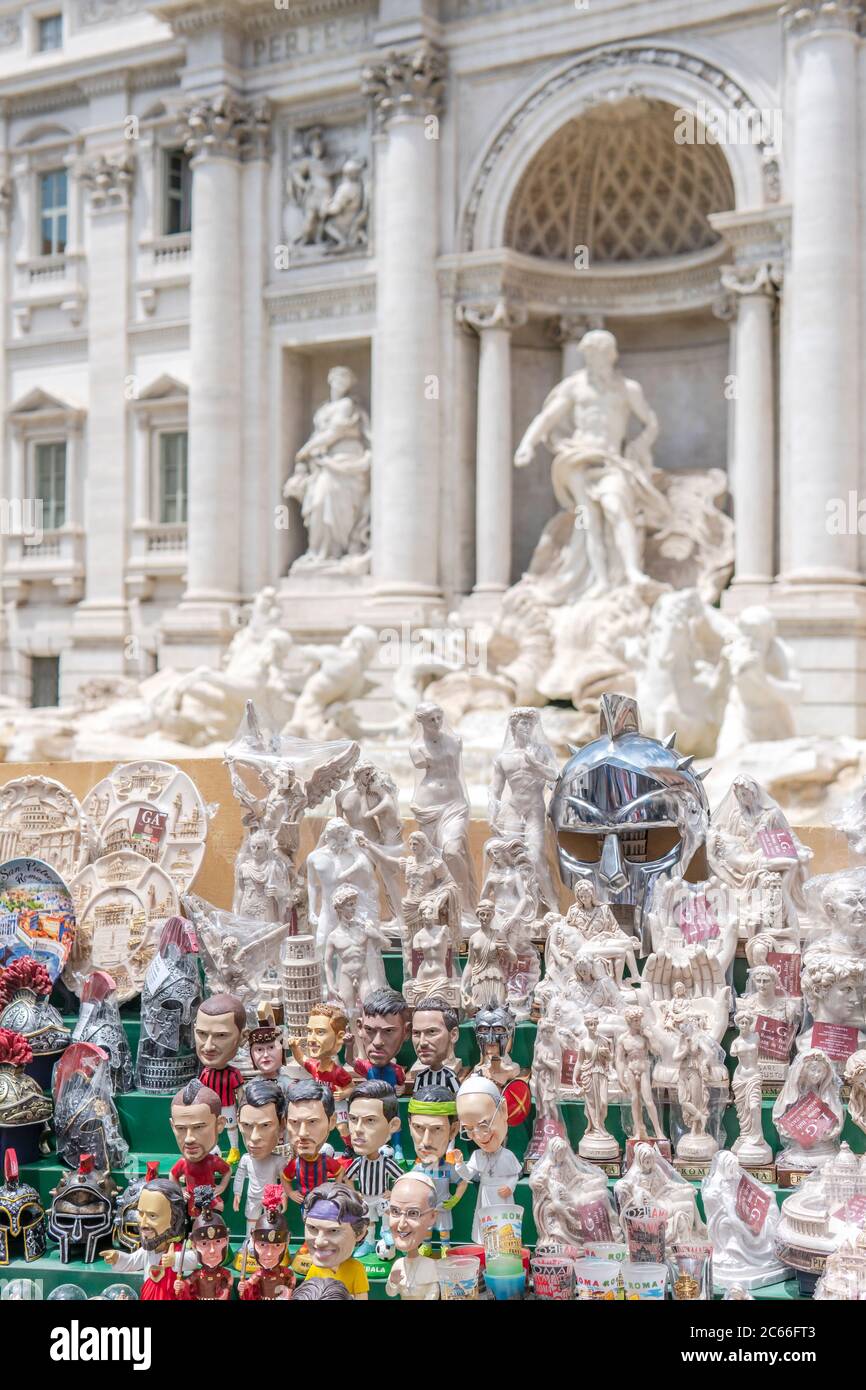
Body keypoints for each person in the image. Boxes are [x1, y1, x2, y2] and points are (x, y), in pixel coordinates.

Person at [345, 1080, 404, 1257]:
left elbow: (400, 1178)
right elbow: (348, 1178)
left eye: (370, 1120)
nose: (358, 1130)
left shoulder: (386, 1162)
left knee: (386, 1213)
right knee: (369, 1221)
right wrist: (354, 1193)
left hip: (381, 1197)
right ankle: (369, 1243)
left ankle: (386, 1233)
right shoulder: (358, 1163)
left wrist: (392, 1192)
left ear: (392, 1125)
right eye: (353, 1119)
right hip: (366, 1197)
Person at [168, 1081, 232, 1216]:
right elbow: (173, 1175)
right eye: (181, 1128)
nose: (188, 1139)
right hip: (192, 1200)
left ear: (219, 1124)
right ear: (173, 1127)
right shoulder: (183, 1163)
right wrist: (179, 1191)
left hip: (210, 1198)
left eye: (198, 1127)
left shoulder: (212, 1161)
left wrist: (221, 1187)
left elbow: (227, 1171)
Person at [300, 1181, 370, 1298]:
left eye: (333, 1231)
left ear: (360, 1233)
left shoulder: (356, 1269)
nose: (319, 1241)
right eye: (312, 1228)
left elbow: (362, 1296)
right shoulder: (315, 1268)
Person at [281, 1079, 345, 1204]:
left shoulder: (325, 1160)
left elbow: (340, 1170)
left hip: (324, 1201)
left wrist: (335, 1189)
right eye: (294, 1122)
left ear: (331, 1122)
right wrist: (290, 1192)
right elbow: (285, 1177)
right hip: (305, 1201)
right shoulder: (295, 1164)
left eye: (312, 1122)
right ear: (285, 1123)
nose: (302, 1133)